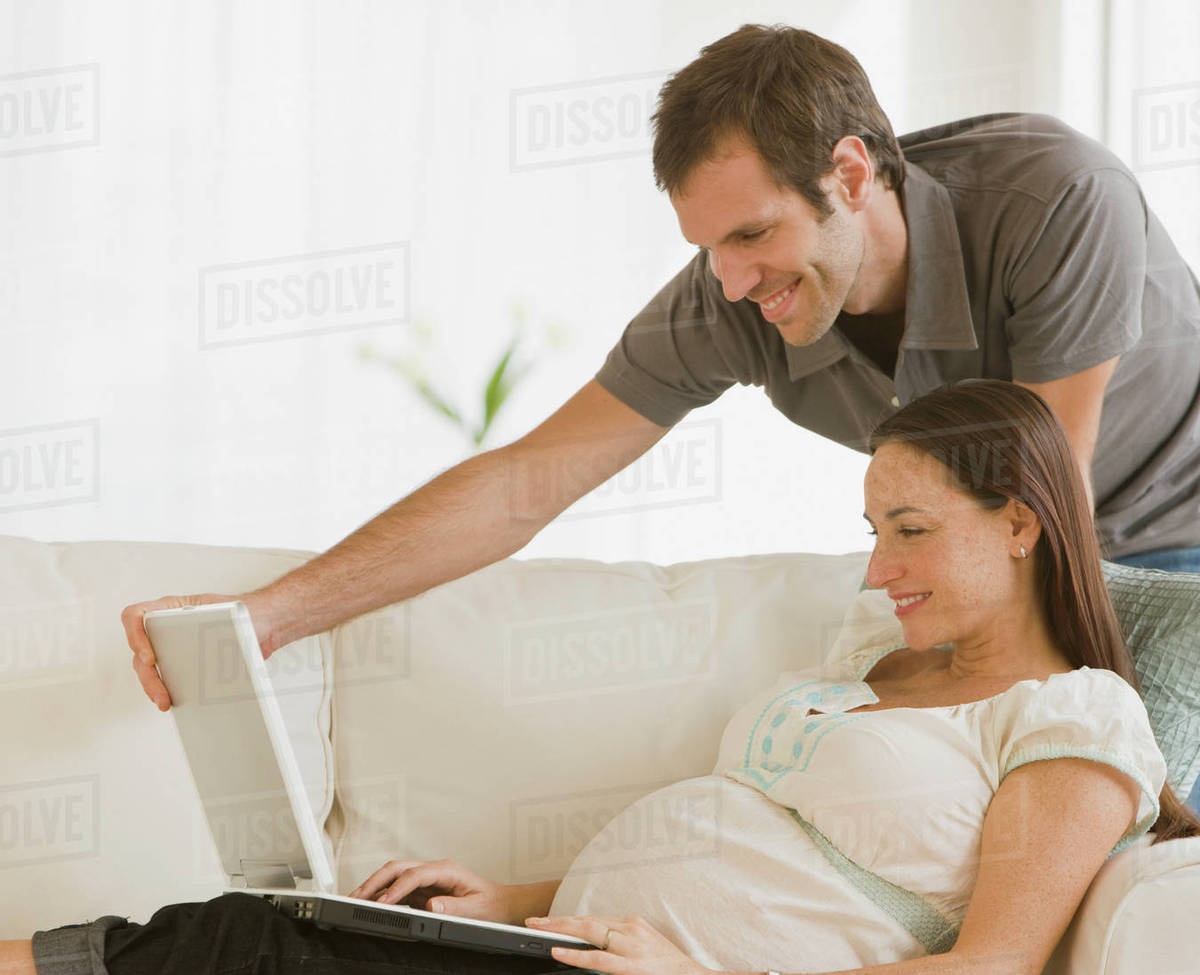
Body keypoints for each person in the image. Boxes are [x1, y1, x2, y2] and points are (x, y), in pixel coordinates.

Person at [120, 27, 1200, 806]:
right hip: (1017, 554)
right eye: (707, 246)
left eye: (752, 237)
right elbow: (526, 481)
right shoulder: (737, 297)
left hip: (1159, 537)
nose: (730, 283)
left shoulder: (1053, 200)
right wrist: (269, 617)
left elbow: (1043, 489)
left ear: (853, 171)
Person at [13, 380, 1200, 975]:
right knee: (273, 928)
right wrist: (510, 900)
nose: (877, 565)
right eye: (870, 530)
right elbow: (737, 839)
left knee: (244, 949)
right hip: (568, 951)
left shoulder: (1074, 721)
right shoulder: (868, 657)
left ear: (1023, 526)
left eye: (909, 530)